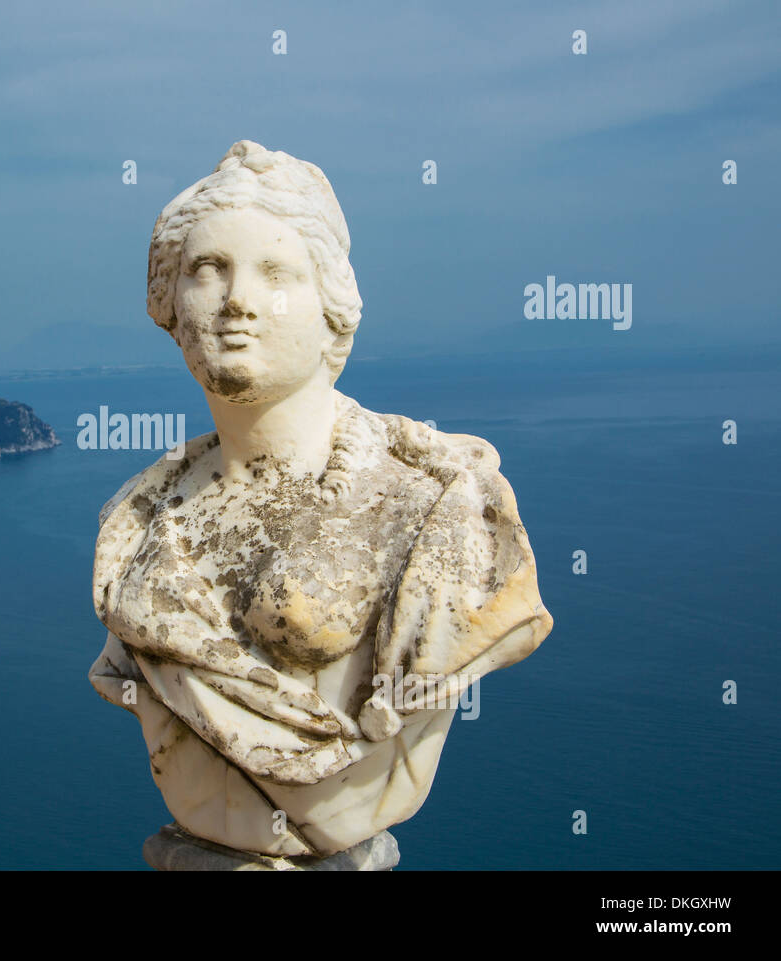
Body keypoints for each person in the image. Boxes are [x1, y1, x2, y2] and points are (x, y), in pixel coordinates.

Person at [90, 140, 553, 858]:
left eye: (276, 272)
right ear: (169, 304)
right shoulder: (139, 517)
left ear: (331, 306)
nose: (237, 299)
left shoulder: (438, 499)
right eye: (207, 270)